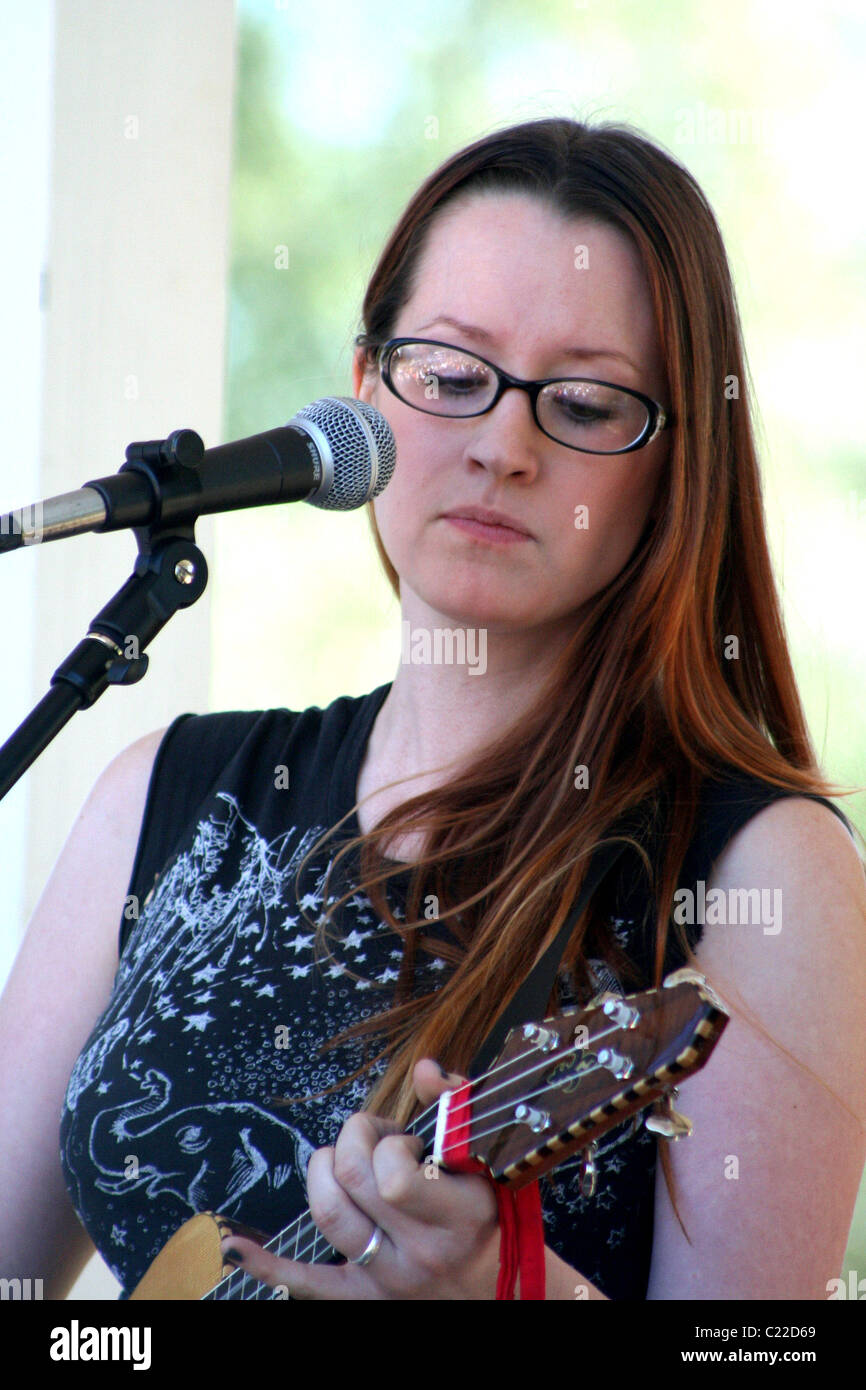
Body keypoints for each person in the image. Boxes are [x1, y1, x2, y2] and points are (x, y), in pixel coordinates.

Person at [1, 116, 865, 1303]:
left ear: (672, 466)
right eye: (452, 376)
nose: (501, 444)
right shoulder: (163, 794)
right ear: (364, 398)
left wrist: (520, 1297)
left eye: (583, 404)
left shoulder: (760, 868)